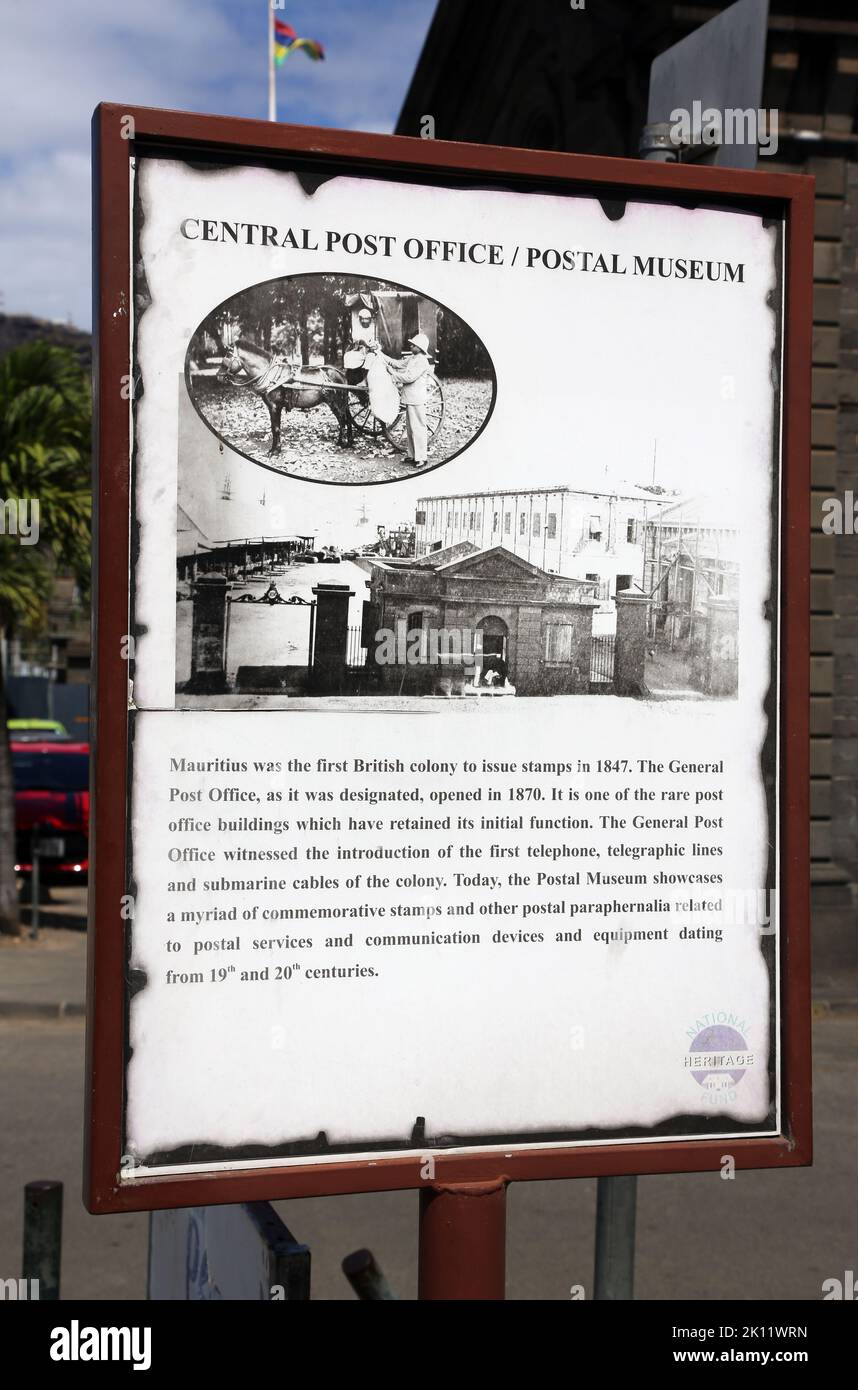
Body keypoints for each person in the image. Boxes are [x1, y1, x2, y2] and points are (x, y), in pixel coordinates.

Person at [372, 332, 432, 467]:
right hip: (410, 398)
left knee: (418, 428)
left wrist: (392, 374)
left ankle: (421, 457)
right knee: (410, 428)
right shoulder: (412, 358)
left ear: (420, 348)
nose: (411, 346)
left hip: (417, 399)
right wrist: (380, 354)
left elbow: (409, 377)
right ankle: (412, 455)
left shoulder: (422, 361)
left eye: (414, 345)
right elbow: (397, 363)